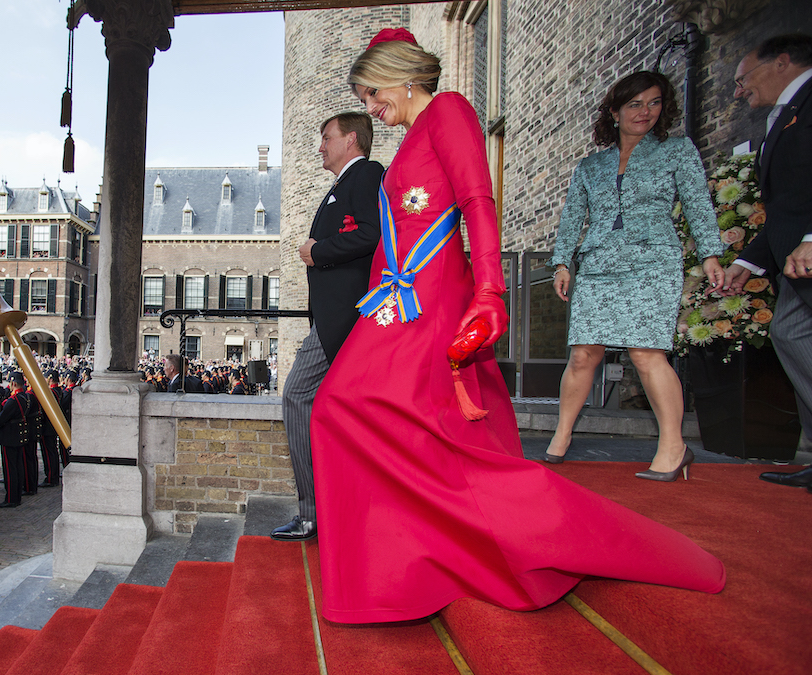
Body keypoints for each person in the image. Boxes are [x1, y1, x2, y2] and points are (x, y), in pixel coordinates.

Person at [307, 28, 726, 625]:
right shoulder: (406, 144)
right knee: (393, 426)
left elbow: (479, 200)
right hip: (401, 299)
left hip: (437, 297)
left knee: (344, 407)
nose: (372, 108)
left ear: (402, 75)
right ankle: (410, 567)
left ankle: (428, 561)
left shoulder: (449, 111)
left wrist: (489, 291)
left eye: (372, 92)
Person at [547, 70, 724, 478]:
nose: (645, 111)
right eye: (634, 104)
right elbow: (573, 217)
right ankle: (561, 435)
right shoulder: (591, 165)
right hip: (597, 265)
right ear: (614, 111)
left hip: (652, 262)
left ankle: (673, 447)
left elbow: (698, 204)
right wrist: (562, 262)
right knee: (582, 354)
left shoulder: (677, 150)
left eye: (654, 102)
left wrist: (712, 253)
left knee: (646, 354)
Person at [272, 111, 383, 542]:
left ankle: (313, 514)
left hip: (348, 319)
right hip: (334, 320)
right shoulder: (344, 184)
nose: (320, 145)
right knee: (335, 411)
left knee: (297, 396)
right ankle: (335, 511)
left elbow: (374, 234)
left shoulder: (368, 174)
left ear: (351, 140)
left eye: (326, 136)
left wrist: (319, 251)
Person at [722, 34, 812, 489]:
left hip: (808, 254)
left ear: (780, 62)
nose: (739, 91)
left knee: (790, 332)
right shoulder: (784, 116)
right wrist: (751, 261)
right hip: (794, 261)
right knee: (789, 332)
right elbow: (787, 204)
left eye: (743, 79)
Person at [0, 371, 33, 505]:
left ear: (14, 383)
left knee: (10, 469)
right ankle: (16, 496)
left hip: (10, 436)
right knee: (18, 467)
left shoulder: (13, 400)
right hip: (19, 435)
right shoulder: (24, 397)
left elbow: (1, 420)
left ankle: (11, 498)